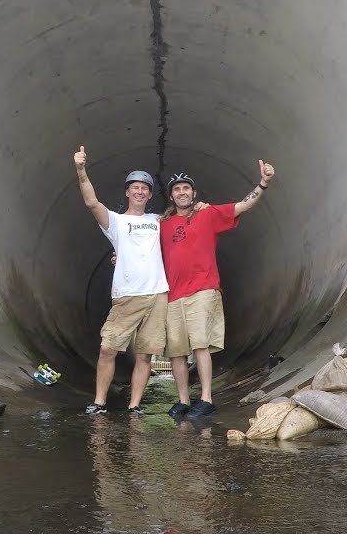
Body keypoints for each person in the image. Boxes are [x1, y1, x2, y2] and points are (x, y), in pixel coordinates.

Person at [160, 159, 276, 418]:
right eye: (177, 189)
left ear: (194, 193)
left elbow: (243, 205)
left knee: (201, 345)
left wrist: (263, 183)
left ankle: (206, 398)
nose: (182, 193)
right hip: (173, 294)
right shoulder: (162, 225)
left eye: (186, 189)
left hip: (203, 289)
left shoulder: (208, 214)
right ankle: (183, 401)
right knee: (176, 351)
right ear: (171, 196)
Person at [73, 145, 169, 415]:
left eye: (145, 188)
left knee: (145, 354)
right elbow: (92, 202)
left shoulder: (158, 220)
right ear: (127, 192)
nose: (139, 192)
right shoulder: (115, 222)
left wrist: (201, 205)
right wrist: (81, 170)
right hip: (127, 294)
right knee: (108, 348)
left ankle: (134, 405)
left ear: (150, 195)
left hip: (158, 294)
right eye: (135, 187)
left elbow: (187, 221)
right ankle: (100, 401)